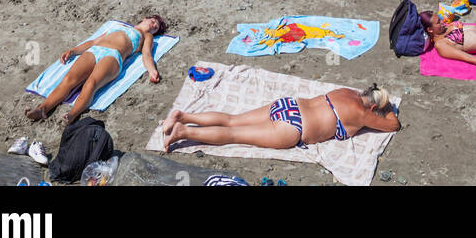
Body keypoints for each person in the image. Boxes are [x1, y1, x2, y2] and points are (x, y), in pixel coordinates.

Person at [161, 83, 400, 153]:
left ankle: (184, 115)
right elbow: (393, 125)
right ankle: (184, 132)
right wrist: (387, 108)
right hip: (293, 127)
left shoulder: (346, 92)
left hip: (288, 105)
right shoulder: (360, 114)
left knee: (233, 120)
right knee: (233, 135)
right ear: (372, 108)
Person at [25, 15, 167, 125]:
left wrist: (152, 71)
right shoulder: (118, 27)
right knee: (69, 79)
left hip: (113, 55)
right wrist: (73, 51)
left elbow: (147, 54)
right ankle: (42, 109)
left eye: (157, 27)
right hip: (95, 50)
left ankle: (72, 115)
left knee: (91, 84)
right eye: (153, 21)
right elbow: (93, 42)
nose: (154, 25)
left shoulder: (147, 36)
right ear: (144, 19)